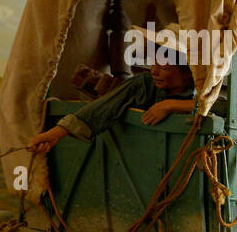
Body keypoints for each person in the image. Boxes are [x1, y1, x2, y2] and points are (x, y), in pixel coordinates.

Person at [28, 26, 202, 155]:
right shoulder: (145, 84)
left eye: (164, 66)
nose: (154, 71)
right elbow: (103, 107)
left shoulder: (202, 91)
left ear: (188, 73)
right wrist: (54, 134)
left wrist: (170, 105)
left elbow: (219, 107)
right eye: (153, 63)